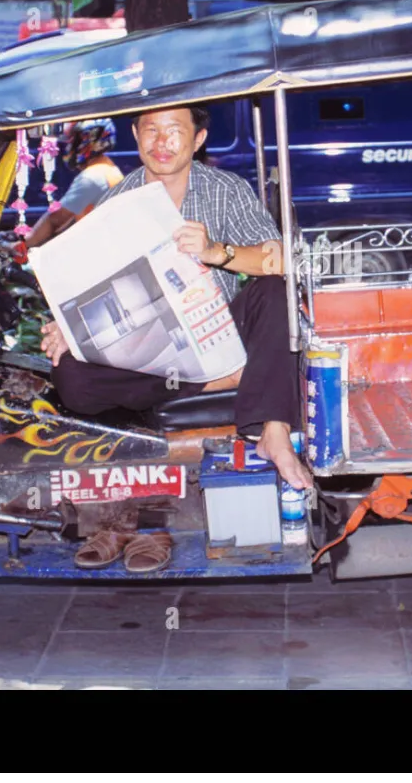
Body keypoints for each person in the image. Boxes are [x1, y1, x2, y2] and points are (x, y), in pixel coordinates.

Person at [39, 105, 313, 567]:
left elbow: (282, 259)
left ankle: (273, 431)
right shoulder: (115, 202)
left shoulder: (225, 191)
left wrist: (216, 252)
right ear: (135, 135)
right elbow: (90, 288)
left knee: (274, 288)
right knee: (71, 376)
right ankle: (219, 381)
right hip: (152, 351)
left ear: (199, 138)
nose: (161, 142)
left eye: (174, 131)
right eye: (151, 130)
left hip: (222, 333)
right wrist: (71, 331)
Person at [23, 120, 124, 250]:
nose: (68, 146)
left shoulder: (91, 178)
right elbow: (70, 223)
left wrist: (20, 246)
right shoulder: (106, 168)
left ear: (89, 140)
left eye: (72, 140)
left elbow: (55, 220)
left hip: (101, 252)